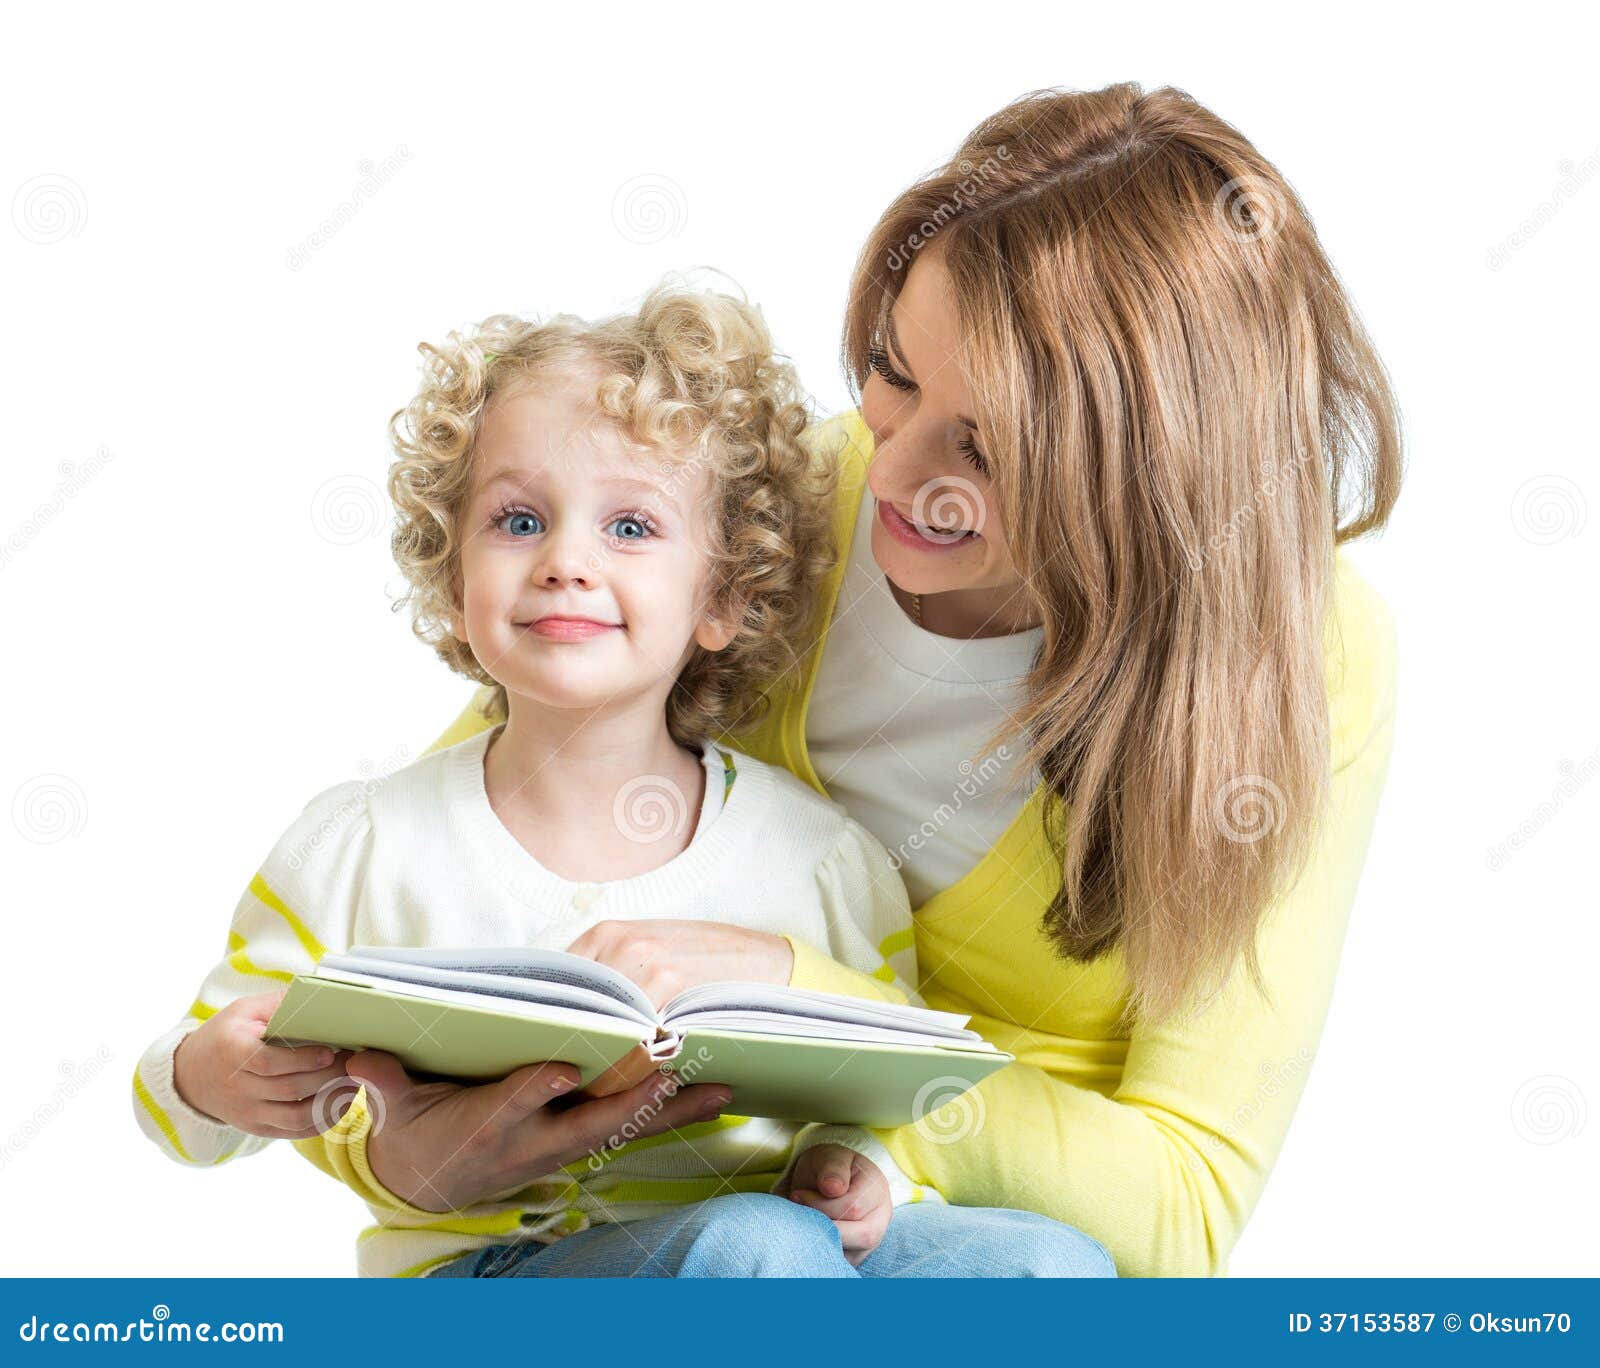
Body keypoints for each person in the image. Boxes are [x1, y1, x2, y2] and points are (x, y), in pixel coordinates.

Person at [348, 81, 1404, 1277]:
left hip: (955, 1244)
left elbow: (1180, 1202)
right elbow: (418, 892)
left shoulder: (1306, 658)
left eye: (986, 445)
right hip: (629, 1226)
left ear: (1155, 474)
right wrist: (391, 1151)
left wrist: (817, 1008)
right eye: (895, 374)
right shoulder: (754, 507)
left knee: (1040, 1279)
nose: (892, 470)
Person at [130, 282, 1115, 1280]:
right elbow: (197, 1093)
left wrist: (852, 1166)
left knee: (1046, 1267)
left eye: (631, 529)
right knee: (757, 1249)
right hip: (491, 1277)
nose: (566, 561)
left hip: (775, 1253)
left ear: (722, 596)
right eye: (518, 521)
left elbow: (884, 1097)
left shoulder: (821, 857)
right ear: (451, 571)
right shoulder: (362, 842)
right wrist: (203, 1079)